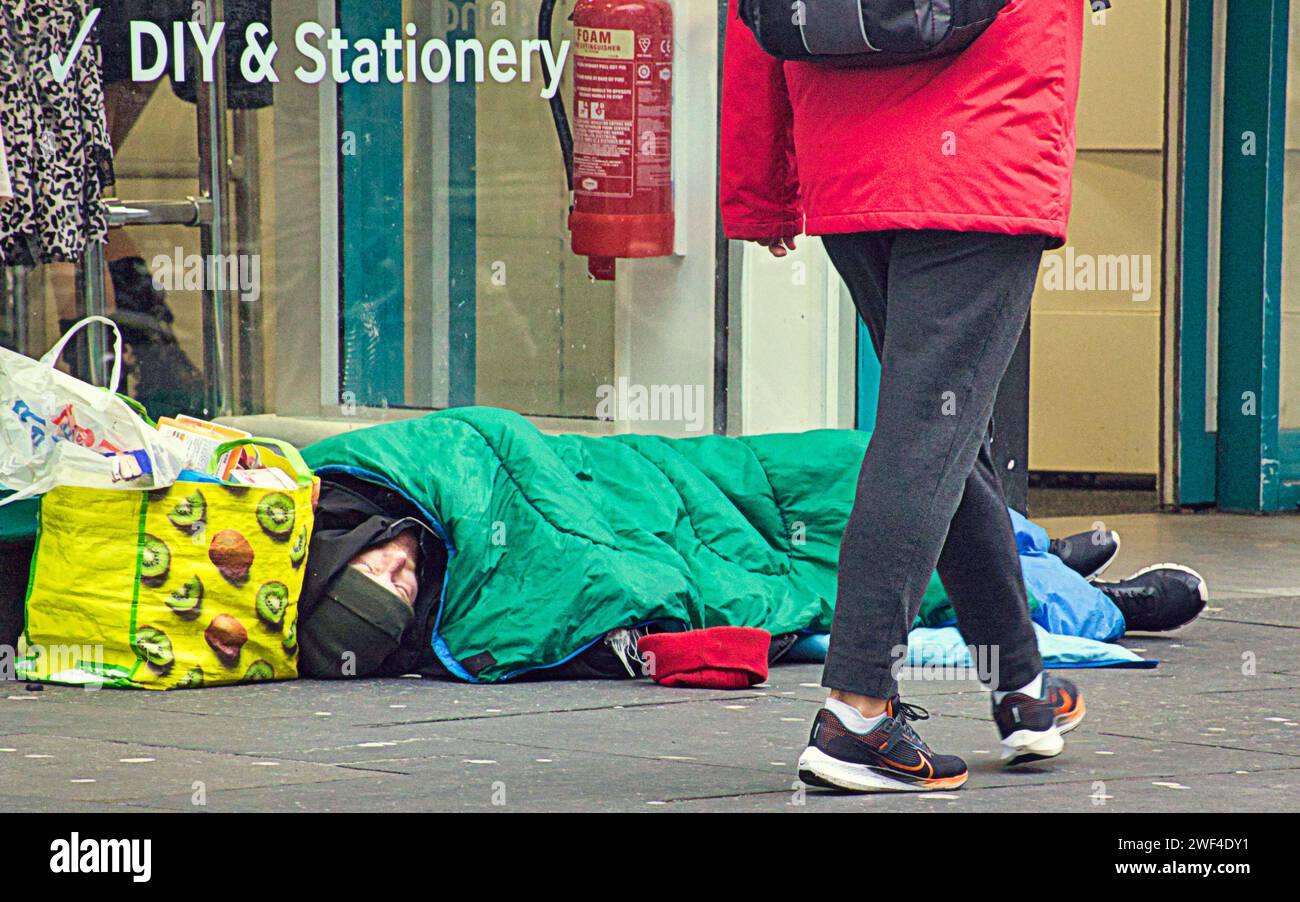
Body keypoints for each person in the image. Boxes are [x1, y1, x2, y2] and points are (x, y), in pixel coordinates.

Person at [721, 0, 1091, 790]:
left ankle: (1020, 686)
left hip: (849, 164)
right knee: (927, 435)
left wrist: (760, 187)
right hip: (983, 157)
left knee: (943, 429)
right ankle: (856, 715)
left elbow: (746, 19)